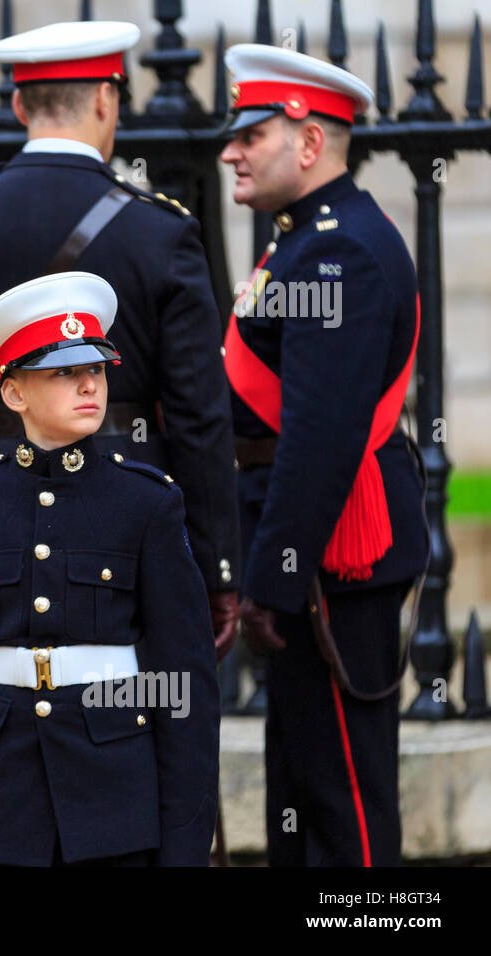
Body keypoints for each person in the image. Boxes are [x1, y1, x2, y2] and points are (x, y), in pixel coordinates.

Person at [0, 20, 241, 658]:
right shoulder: (160, 233)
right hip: (126, 503)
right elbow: (199, 417)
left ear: (19, 105)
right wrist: (214, 569)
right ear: (107, 100)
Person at [0, 271, 220, 866]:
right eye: (63, 373)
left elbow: (186, 688)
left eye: (95, 370)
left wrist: (182, 844)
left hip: (114, 803)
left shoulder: (146, 502)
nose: (88, 386)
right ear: (14, 393)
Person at [218, 45, 426, 867]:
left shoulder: (335, 252)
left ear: (308, 144)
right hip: (306, 552)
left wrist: (270, 579)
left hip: (331, 558)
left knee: (340, 801)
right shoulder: (303, 239)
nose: (230, 149)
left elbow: (318, 438)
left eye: (252, 133)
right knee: (303, 785)